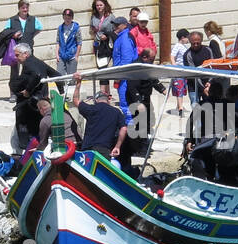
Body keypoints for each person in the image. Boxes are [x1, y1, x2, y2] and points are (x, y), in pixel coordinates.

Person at [124, 49, 167, 177]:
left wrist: (162, 89)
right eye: (152, 59)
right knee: (140, 123)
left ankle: (144, 143)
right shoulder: (136, 67)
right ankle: (139, 148)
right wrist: (138, 101)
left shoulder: (147, 66)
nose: (153, 61)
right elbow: (131, 86)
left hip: (146, 98)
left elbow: (152, 79)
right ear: (144, 57)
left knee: (149, 121)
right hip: (136, 99)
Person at [71, 73, 128, 163]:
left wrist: (78, 82)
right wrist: (117, 146)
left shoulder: (91, 109)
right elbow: (124, 128)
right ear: (107, 100)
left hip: (88, 151)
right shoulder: (116, 112)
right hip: (104, 151)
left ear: (96, 100)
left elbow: (75, 101)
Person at [10, 43, 57, 150]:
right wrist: (62, 91)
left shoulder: (28, 63)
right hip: (41, 103)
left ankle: (25, 152)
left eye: (17, 55)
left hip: (30, 106)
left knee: (26, 132)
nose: (15, 58)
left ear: (25, 54)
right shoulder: (40, 62)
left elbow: (37, 75)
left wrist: (27, 90)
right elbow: (56, 74)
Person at [3, 0, 43, 94]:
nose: (25, 10)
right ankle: (13, 93)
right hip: (15, 51)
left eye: (26, 8)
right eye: (23, 8)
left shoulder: (33, 19)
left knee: (28, 72)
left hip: (27, 51)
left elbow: (39, 29)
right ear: (19, 8)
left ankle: (27, 91)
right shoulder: (12, 20)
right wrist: (13, 35)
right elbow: (5, 33)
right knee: (14, 73)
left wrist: (30, 36)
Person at [109, 16, 137, 123]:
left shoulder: (125, 38)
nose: (115, 27)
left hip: (125, 78)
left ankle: (131, 130)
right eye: (114, 25)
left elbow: (126, 60)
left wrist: (118, 77)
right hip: (122, 77)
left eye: (117, 25)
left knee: (126, 104)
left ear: (125, 25)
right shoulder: (121, 37)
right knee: (124, 104)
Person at [182, 30, 211, 105]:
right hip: (193, 85)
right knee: (195, 108)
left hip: (208, 84)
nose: (195, 45)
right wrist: (203, 88)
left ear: (201, 40)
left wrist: (210, 82)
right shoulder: (187, 54)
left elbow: (213, 67)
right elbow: (193, 73)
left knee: (210, 107)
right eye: (193, 43)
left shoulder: (208, 50)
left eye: (198, 43)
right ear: (190, 41)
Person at [54, 8, 81, 82]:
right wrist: (57, 55)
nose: (67, 19)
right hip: (62, 55)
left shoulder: (76, 28)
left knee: (71, 79)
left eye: (69, 18)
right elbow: (58, 42)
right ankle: (62, 92)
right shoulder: (60, 28)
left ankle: (71, 92)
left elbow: (79, 43)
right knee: (59, 76)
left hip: (71, 56)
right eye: (65, 18)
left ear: (72, 18)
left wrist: (76, 56)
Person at [89, 0, 115, 68]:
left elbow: (115, 30)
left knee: (104, 66)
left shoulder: (110, 17)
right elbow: (91, 28)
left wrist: (107, 36)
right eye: (97, 5)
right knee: (100, 66)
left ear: (105, 5)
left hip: (107, 44)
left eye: (101, 5)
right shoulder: (94, 16)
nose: (99, 7)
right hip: (98, 44)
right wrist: (94, 34)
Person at [169, 27, 190, 115]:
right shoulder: (177, 46)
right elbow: (172, 56)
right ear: (182, 38)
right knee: (179, 88)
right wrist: (175, 67)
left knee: (182, 89)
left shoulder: (183, 47)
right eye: (187, 37)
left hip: (183, 71)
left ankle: (179, 106)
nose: (188, 39)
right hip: (178, 71)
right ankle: (180, 107)